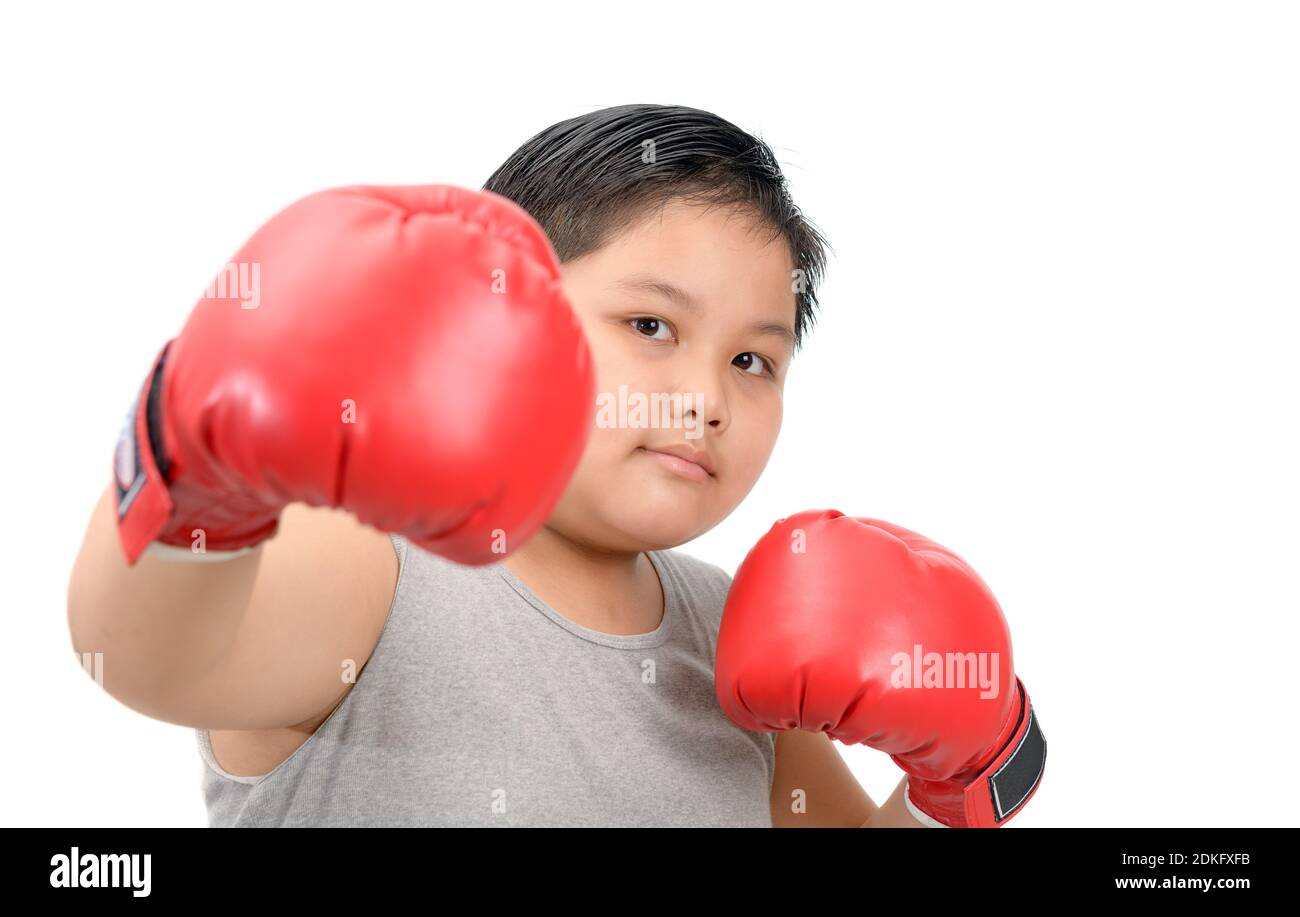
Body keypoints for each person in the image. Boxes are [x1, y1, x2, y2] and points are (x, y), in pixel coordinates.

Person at [68, 104, 1042, 827]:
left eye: (753, 359)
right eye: (650, 324)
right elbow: (150, 657)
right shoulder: (375, 560)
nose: (706, 396)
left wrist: (966, 782)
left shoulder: (737, 632)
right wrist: (192, 463)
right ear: (512, 313)